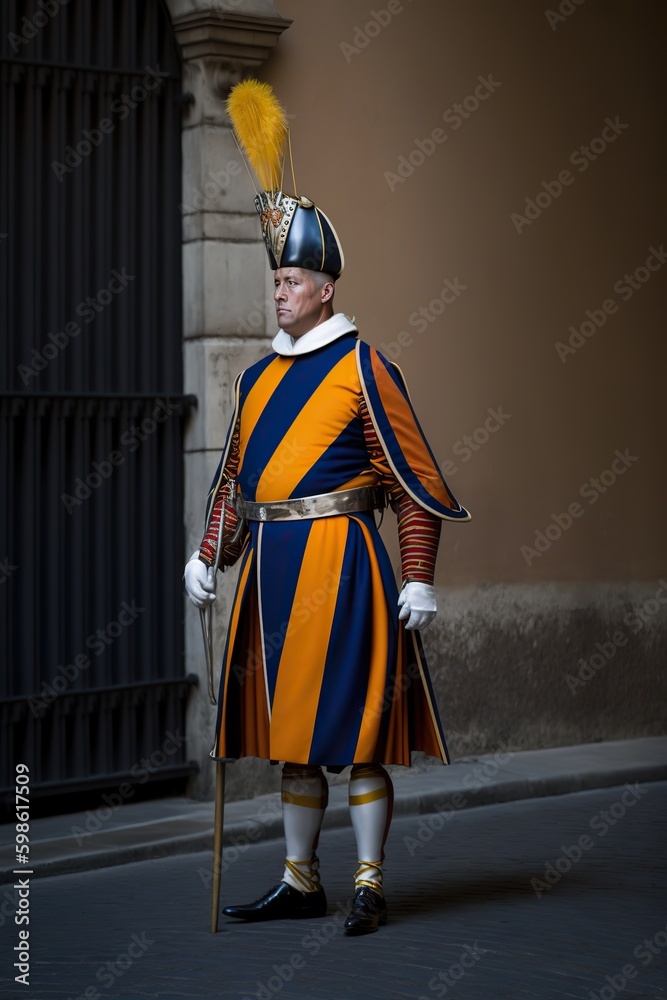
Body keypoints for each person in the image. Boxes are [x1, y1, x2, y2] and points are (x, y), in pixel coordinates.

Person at [184, 79, 471, 936]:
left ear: (325, 289)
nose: (279, 292)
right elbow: (235, 482)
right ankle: (299, 879)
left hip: (343, 570)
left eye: (292, 279)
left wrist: (416, 574)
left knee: (356, 735)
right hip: (271, 575)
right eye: (276, 279)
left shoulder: (364, 368)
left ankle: (369, 882)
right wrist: (207, 553)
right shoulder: (255, 378)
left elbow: (412, 480)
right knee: (294, 739)